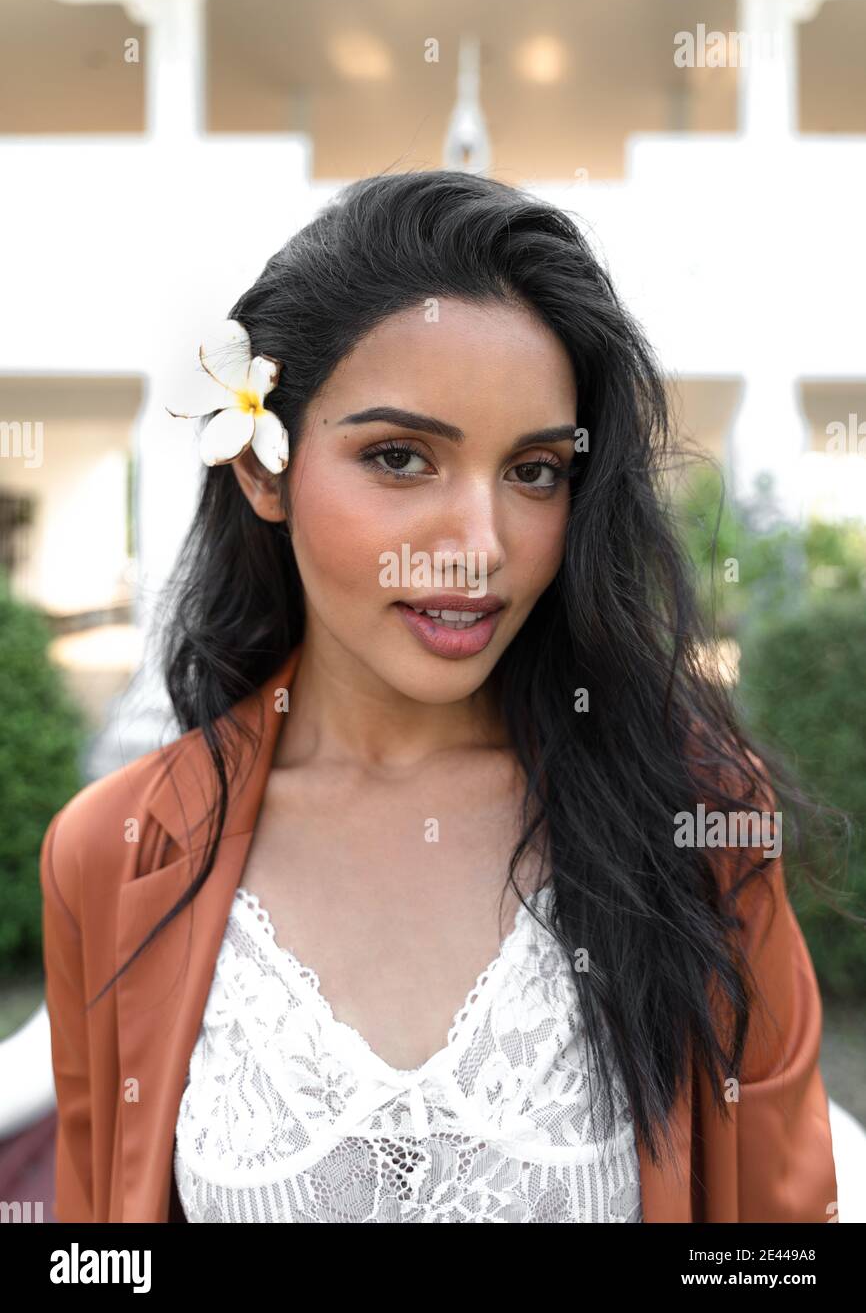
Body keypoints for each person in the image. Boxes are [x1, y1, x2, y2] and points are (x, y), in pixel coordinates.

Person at [41, 169, 838, 1223]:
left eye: (534, 471)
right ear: (263, 471)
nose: (480, 546)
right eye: (400, 456)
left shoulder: (694, 825)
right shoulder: (117, 852)